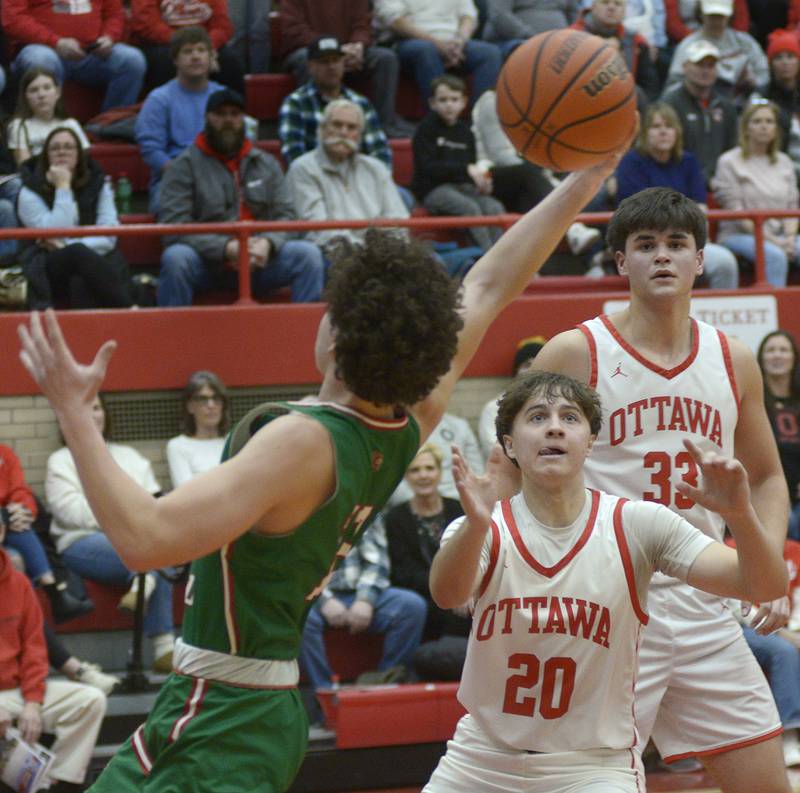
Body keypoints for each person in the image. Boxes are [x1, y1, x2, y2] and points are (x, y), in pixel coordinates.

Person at [16, 119, 634, 791]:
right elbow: (487, 286)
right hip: (233, 704)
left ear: (338, 336)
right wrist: (587, 181)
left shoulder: (300, 440)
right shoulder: (404, 421)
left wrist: (77, 417)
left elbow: (144, 540)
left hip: (226, 713)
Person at [532, 186, 793, 791]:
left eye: (677, 244)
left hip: (706, 600)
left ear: (701, 259)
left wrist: (764, 560)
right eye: (644, 246)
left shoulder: (733, 358)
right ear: (621, 262)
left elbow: (768, 477)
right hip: (608, 607)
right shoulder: (576, 353)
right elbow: (521, 475)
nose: (662, 257)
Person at [424, 369, 787, 791]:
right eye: (537, 417)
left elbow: (762, 586)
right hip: (481, 758)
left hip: (592, 766)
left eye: (570, 418)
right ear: (509, 444)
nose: (555, 426)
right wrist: (475, 525)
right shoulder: (483, 524)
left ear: (591, 442)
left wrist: (741, 517)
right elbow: (447, 594)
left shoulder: (638, 523)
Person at [158, 88, 326, 306]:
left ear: (244, 120)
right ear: (207, 118)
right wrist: (226, 248)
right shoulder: (183, 166)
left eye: (235, 114)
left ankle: (308, 336)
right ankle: (171, 336)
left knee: (308, 255)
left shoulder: (267, 163)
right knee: (176, 258)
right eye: (220, 114)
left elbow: (287, 216)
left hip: (261, 262)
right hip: (208, 264)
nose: (228, 120)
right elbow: (174, 227)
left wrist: (268, 243)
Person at [46, 394, 175, 674]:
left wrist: (133, 518)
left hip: (136, 538)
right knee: (149, 550)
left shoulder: (130, 456)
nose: (93, 415)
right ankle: (163, 641)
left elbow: (154, 501)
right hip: (80, 543)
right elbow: (70, 511)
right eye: (84, 409)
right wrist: (126, 517)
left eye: (96, 408)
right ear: (68, 418)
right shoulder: (62, 460)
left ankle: (145, 590)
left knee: (156, 547)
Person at [0, 524, 107, 793]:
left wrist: (34, 702)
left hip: (17, 693)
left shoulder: (19, 584)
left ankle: (54, 783)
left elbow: (35, 649)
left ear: (1, 533)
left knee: (90, 701)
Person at [299, 514, 427, 700]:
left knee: (411, 606)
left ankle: (385, 686)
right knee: (302, 618)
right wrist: (323, 600)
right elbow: (299, 567)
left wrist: (365, 600)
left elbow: (377, 563)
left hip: (361, 591)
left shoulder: (365, 507)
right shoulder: (300, 510)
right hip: (314, 597)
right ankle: (325, 697)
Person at [616, 101, 738, 288]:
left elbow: (700, 207)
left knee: (725, 263)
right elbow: (634, 215)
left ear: (677, 132)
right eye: (656, 127)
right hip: (646, 243)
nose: (663, 132)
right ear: (645, 132)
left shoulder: (688, 161)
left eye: (669, 126)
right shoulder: (631, 162)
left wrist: (695, 241)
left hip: (685, 240)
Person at [471, 89, 601, 258]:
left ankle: (590, 263)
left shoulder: (532, 103)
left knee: (584, 184)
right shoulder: (492, 102)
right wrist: (543, 172)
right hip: (488, 175)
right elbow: (500, 155)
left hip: (524, 179)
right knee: (533, 176)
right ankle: (573, 227)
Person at [17, 126, 134, 310]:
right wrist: (63, 187)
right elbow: (56, 231)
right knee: (77, 253)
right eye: (55, 148)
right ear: (46, 155)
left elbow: (109, 234)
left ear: (79, 153)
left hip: (92, 256)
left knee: (83, 266)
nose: (62, 151)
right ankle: (129, 309)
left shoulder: (97, 181)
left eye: (68, 147)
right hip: (47, 263)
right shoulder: (29, 190)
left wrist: (67, 244)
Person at [384, 443, 469, 675]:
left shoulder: (458, 509)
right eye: (415, 470)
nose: (423, 476)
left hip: (462, 589)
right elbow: (402, 572)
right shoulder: (395, 518)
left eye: (429, 468)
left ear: (439, 473)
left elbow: (472, 554)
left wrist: (462, 589)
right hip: (424, 594)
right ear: (407, 477)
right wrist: (445, 588)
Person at [285, 99, 409, 255]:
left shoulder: (376, 168)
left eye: (351, 127)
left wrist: (385, 252)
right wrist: (360, 254)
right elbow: (317, 230)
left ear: (359, 135)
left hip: (378, 256)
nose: (344, 132)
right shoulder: (303, 168)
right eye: (337, 125)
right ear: (322, 129)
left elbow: (398, 221)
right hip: (332, 255)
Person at [281, 1, 414, 138]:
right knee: (306, 59)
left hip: (349, 49)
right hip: (309, 50)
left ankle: (385, 123)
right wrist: (335, 50)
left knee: (385, 58)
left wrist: (358, 45)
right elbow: (294, 31)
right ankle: (313, 122)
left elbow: (363, 23)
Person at [134, 27, 224, 214]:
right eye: (188, 51)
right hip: (174, 180)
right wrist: (185, 175)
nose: (195, 57)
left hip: (220, 176)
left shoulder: (222, 97)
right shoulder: (159, 99)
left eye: (201, 50)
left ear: (211, 57)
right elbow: (151, 149)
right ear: (175, 60)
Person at [411, 75, 506, 253]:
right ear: (432, 103)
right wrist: (465, 169)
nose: (449, 105)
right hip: (433, 189)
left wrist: (480, 182)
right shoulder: (425, 129)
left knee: (494, 206)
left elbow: (468, 169)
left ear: (463, 102)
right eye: (443, 100)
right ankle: (487, 257)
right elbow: (427, 168)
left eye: (454, 99)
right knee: (469, 207)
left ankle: (503, 256)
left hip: (461, 187)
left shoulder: (465, 132)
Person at [713, 100, 800, 288]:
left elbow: (792, 207)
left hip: (781, 235)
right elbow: (737, 214)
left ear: (776, 128)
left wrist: (790, 239)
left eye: (769, 122)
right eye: (757, 121)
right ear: (746, 127)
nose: (764, 126)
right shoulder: (729, 161)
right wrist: (777, 242)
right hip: (739, 234)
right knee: (775, 256)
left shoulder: (784, 162)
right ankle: (778, 313)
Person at [1, 0, 146, 112]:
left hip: (91, 53)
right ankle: (50, 128)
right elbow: (12, 19)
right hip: (42, 48)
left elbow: (115, 13)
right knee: (42, 59)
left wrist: (108, 36)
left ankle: (110, 124)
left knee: (131, 60)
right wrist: (54, 42)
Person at [0, 443, 90, 624]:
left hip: (7, 530)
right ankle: (55, 592)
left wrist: (22, 510)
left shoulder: (4, 453)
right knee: (14, 556)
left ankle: (50, 602)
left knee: (19, 530)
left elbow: (21, 490)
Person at [278, 36, 393, 168]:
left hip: (359, 181)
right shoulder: (295, 103)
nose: (331, 67)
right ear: (310, 66)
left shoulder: (360, 103)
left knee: (399, 190)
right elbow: (293, 156)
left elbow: (380, 152)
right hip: (313, 181)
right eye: (324, 62)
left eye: (336, 60)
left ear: (344, 64)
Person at [374, 0, 502, 105]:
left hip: (454, 40)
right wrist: (437, 43)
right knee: (426, 50)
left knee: (490, 53)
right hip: (409, 40)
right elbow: (394, 20)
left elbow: (468, 14)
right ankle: (438, 121)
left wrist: (460, 40)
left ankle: (483, 117)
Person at [660, 38, 739, 186]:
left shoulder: (726, 106)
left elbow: (732, 147)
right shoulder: (670, 103)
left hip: (720, 183)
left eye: (711, 65)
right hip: (679, 182)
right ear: (685, 67)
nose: (705, 70)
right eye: (699, 64)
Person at [130, 0, 243, 92]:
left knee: (230, 61)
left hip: (206, 42)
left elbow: (222, 26)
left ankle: (232, 113)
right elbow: (146, 25)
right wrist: (186, 44)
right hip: (164, 43)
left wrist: (206, 48)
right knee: (166, 61)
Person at [665, 0, 769, 99]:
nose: (716, 21)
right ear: (701, 14)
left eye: (720, 16)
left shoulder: (744, 42)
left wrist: (753, 82)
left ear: (729, 16)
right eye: (711, 16)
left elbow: (764, 73)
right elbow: (673, 85)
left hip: (744, 102)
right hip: (699, 101)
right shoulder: (688, 45)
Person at [571, 0, 661, 106]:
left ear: (624, 12)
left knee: (638, 94)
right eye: (605, 2)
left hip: (623, 107)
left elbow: (650, 88)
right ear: (593, 7)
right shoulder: (571, 38)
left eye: (617, 4)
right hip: (580, 103)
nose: (611, 7)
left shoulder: (637, 42)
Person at [757, 331, 800, 542]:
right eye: (771, 350)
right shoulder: (752, 400)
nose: (777, 355)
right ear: (761, 359)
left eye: (783, 350)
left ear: (794, 358)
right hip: (762, 496)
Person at [6, 68, 90, 167]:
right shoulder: (19, 126)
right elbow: (25, 166)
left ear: (58, 92)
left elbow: (83, 161)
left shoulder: (71, 124)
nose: (41, 95)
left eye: (47, 88)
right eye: (34, 90)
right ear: (25, 97)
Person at [477, 335, 545, 457]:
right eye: (527, 365)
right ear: (516, 371)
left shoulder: (560, 406)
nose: (533, 370)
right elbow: (495, 451)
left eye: (539, 364)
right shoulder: (495, 409)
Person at [166, 370, 230, 488]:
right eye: (203, 399)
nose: (211, 405)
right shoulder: (178, 446)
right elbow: (185, 492)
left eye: (216, 398)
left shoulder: (232, 441)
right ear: (190, 406)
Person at [760, 29, 800, 180]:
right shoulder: (761, 95)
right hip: (774, 163)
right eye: (778, 57)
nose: (785, 63)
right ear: (771, 64)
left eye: (790, 57)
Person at [481, 0, 578, 58]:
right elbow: (499, 15)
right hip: (513, 40)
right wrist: (530, 36)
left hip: (560, 42)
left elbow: (573, 13)